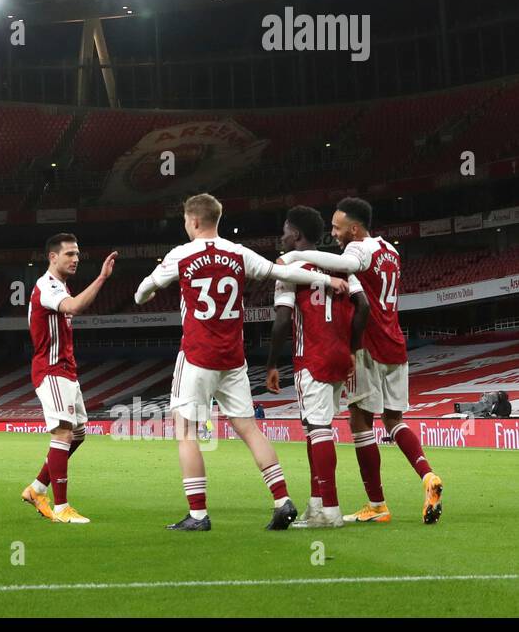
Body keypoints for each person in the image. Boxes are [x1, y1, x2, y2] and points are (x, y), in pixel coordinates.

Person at [133, 193, 349, 531]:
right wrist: (327, 279)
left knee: (186, 430)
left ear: (192, 222)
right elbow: (283, 271)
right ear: (217, 219)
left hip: (196, 355)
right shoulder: (238, 253)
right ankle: (282, 500)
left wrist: (146, 292)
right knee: (248, 428)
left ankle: (198, 515)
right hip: (233, 358)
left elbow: (143, 290)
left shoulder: (181, 255)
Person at [280, 197, 443, 524]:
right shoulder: (391, 251)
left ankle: (378, 505)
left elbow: (346, 267)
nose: (334, 233)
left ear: (355, 228)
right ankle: (427, 475)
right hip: (397, 343)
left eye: (338, 228)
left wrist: (296, 255)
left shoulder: (359, 250)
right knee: (395, 421)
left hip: (368, 346)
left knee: (360, 423)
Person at [265, 205, 370, 529]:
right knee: (315, 428)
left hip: (311, 356)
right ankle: (316, 504)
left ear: (296, 234)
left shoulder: (288, 268)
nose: (281, 236)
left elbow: (282, 320)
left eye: (285, 230)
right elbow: (363, 306)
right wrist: (350, 348)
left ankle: (331, 510)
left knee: (319, 428)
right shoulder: (339, 267)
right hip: (339, 354)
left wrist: (271, 363)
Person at [20, 233, 117, 524]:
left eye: (77, 254)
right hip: (50, 370)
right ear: (53, 257)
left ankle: (37, 488)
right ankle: (61, 508)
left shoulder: (60, 285)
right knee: (63, 433)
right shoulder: (47, 286)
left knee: (77, 434)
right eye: (70, 254)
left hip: (65, 371)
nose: (76, 259)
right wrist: (101, 279)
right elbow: (73, 307)